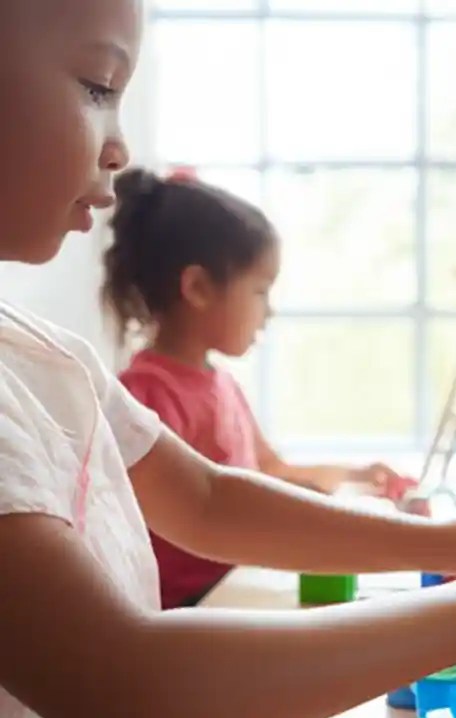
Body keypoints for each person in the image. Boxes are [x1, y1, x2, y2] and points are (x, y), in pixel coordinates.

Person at [0, 2, 456, 717]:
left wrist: (448, 542)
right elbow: (119, 677)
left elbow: (208, 498)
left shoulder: (51, 360)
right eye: (96, 86)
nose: (119, 147)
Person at [99, 167, 423, 608]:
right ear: (197, 288)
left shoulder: (221, 385)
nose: (267, 312)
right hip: (188, 611)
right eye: (260, 291)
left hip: (233, 589)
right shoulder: (144, 396)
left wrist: (352, 475)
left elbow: (269, 471)